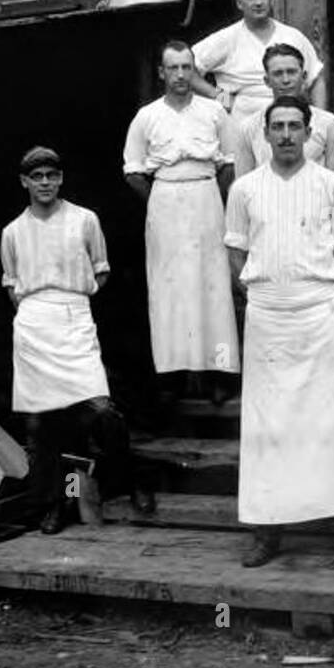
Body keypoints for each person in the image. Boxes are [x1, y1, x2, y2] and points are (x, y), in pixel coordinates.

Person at [225, 95, 334, 568]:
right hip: (268, 316)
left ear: (309, 133)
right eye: (278, 126)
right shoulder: (244, 189)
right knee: (269, 426)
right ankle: (268, 529)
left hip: (318, 315)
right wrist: (264, 299)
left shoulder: (333, 186)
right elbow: (235, 252)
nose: (286, 135)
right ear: (265, 134)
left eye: (295, 126)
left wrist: (325, 300)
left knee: (332, 421)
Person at [0, 146, 152, 535]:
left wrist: (72, 305)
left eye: (52, 175)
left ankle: (132, 482)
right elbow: (11, 285)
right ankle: (51, 506)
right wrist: (36, 313)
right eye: (37, 177)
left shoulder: (85, 220)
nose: (45, 183)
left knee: (102, 410)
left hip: (74, 319)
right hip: (34, 326)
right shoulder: (13, 232)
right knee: (41, 425)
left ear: (61, 179)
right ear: (25, 182)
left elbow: (100, 272)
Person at [122, 40, 240, 402]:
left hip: (206, 197)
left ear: (194, 70)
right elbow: (133, 171)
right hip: (165, 201)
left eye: (186, 67)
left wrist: (210, 196)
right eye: (172, 68)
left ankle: (218, 374)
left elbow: (228, 164)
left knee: (213, 285)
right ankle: (173, 376)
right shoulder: (147, 116)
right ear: (161, 72)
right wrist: (163, 199)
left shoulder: (214, 112)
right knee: (169, 288)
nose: (180, 75)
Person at [191, 0, 327, 127]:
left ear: (272, 0)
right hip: (241, 121)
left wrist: (319, 121)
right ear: (239, 3)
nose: (258, 2)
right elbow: (189, 68)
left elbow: (316, 78)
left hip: (289, 119)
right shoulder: (227, 38)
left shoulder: (292, 37)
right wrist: (223, 98)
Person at [232, 42, 334, 179]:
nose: (286, 80)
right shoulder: (249, 127)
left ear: (304, 76)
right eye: (278, 74)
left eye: (291, 72)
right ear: (267, 81)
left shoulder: (328, 123)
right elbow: (242, 185)